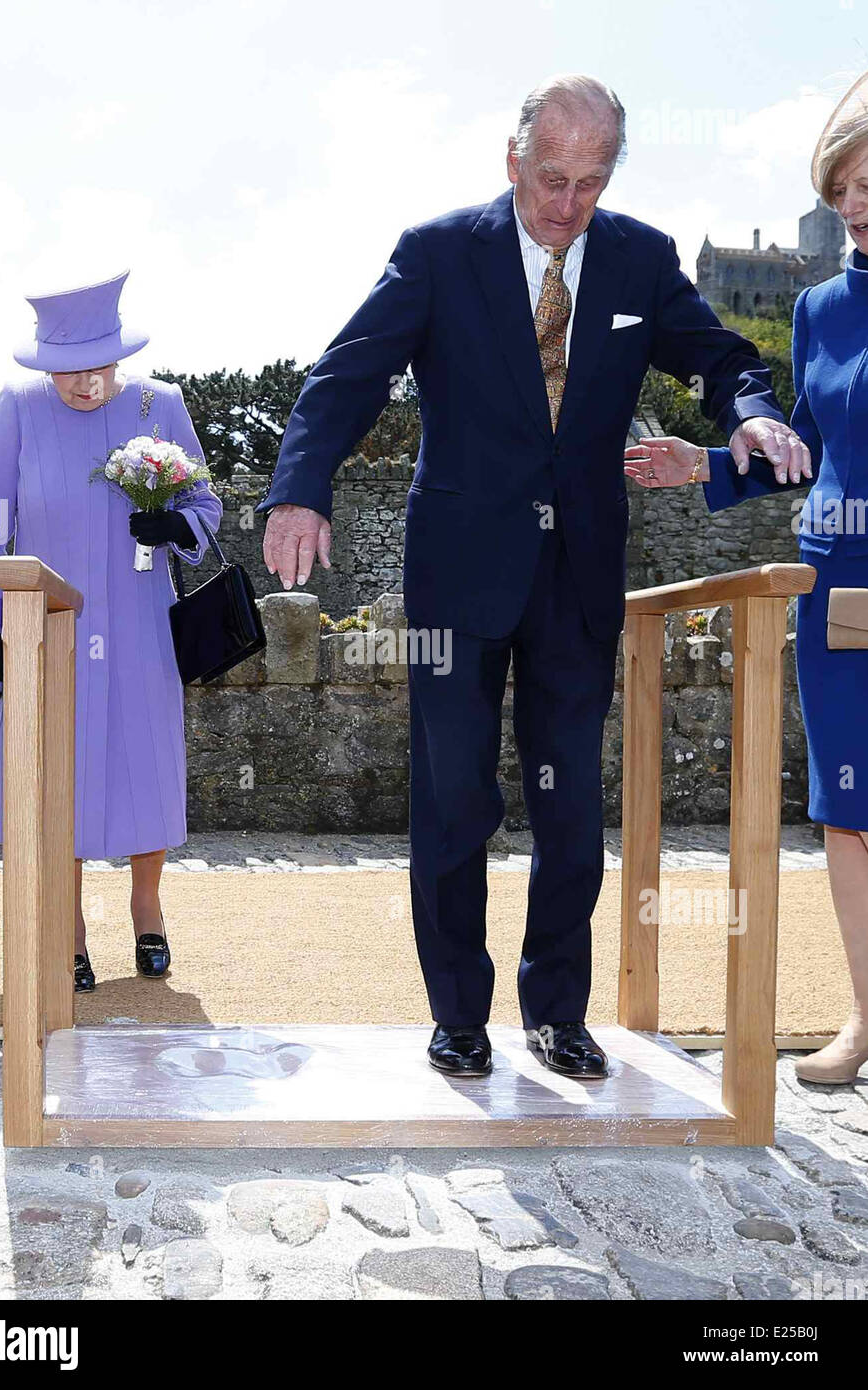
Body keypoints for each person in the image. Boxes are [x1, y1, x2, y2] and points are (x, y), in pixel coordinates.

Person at [257, 74, 797, 1079]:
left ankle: (556, 1011)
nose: (566, 203)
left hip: (577, 574)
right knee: (454, 796)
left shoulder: (638, 257)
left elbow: (717, 356)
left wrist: (746, 414)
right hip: (459, 575)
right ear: (512, 160)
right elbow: (346, 374)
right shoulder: (435, 255)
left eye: (589, 182)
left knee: (565, 806)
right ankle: (457, 1014)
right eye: (550, 177)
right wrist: (299, 490)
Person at [625, 74, 868, 1086]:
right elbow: (803, 447)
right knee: (844, 803)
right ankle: (865, 1019)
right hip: (833, 583)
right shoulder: (816, 308)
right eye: (840, 184)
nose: (852, 201)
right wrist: (706, 463)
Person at [0, 270, 223, 992]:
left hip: (139, 622)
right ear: (44, 366)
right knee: (55, 771)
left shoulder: (156, 401)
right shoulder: (16, 407)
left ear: (119, 353)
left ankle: (147, 907)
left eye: (97, 367)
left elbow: (205, 502)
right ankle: (68, 927)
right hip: (45, 626)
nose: (85, 385)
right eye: (68, 371)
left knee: (146, 765)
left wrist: (178, 523)